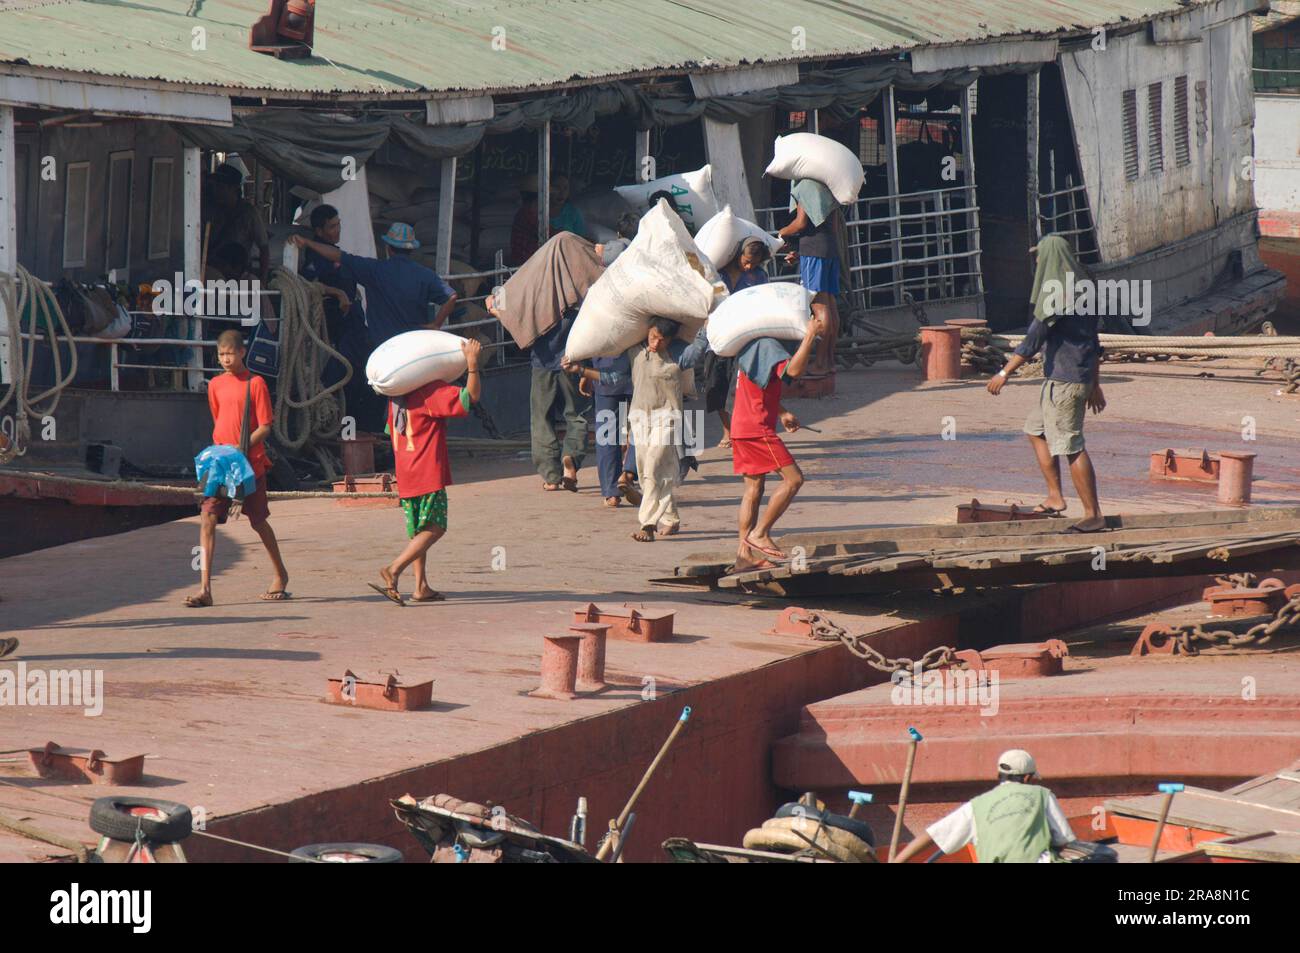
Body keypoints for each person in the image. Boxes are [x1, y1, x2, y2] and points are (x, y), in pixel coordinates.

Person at [987, 236, 1106, 533]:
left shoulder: (1057, 296)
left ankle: (1093, 514)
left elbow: (1032, 341)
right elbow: (1094, 343)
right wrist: (1095, 383)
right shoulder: (1084, 288)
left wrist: (1003, 374)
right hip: (1072, 378)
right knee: (1035, 428)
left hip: (1064, 383)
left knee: (1070, 444)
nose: (1037, 263)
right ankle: (1055, 498)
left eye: (1039, 257)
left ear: (1051, 258)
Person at [564, 317, 707, 542]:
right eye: (652, 337)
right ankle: (671, 518)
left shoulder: (679, 353)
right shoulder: (635, 351)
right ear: (647, 332)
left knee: (652, 468)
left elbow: (699, 350)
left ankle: (647, 524)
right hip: (640, 419)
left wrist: (706, 325)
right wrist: (580, 370)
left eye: (661, 339)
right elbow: (613, 377)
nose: (655, 343)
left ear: (670, 339)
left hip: (667, 418)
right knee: (649, 471)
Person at [370, 338, 483, 606]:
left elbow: (391, 431)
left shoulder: (396, 397)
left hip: (407, 475)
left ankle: (420, 587)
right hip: (427, 473)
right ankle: (394, 568)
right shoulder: (431, 392)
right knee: (435, 528)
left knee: (418, 531)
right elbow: (470, 398)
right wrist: (472, 365)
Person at [185, 329, 289, 608]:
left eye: (230, 353)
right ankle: (205, 588)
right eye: (221, 354)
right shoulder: (215, 385)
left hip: (249, 466)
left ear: (242, 352)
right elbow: (218, 418)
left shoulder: (256, 384)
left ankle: (280, 573)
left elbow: (265, 426)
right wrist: (226, 452)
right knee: (207, 519)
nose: (225, 359)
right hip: (220, 464)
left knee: (258, 521)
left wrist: (240, 450)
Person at [732, 315, 822, 568]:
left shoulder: (749, 348)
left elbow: (758, 387)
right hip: (757, 429)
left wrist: (781, 413)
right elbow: (792, 371)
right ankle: (760, 533)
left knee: (753, 490)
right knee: (794, 479)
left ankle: (743, 557)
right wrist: (810, 335)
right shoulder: (768, 346)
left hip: (742, 427)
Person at [891, 749, 1078, 864]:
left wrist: (897, 861)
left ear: (1000, 775)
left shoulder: (976, 806)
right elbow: (1063, 839)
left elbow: (932, 835)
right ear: (1028, 778)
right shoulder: (1042, 795)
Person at [288, 223, 458, 347]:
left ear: (389, 249)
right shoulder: (425, 275)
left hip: (383, 347)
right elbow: (452, 296)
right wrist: (436, 324)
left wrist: (308, 242)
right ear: (411, 249)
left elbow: (339, 256)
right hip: (414, 346)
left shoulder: (374, 270)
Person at [296, 205, 385, 432]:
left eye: (339, 224)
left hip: (354, 327)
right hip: (338, 330)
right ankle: (345, 431)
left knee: (368, 379)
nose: (338, 230)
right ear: (319, 230)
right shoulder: (315, 257)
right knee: (347, 379)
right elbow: (308, 284)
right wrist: (337, 292)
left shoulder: (334, 252)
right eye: (332, 226)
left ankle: (369, 433)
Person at [703, 239, 772, 449]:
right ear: (738, 254)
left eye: (754, 263)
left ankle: (743, 431)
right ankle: (727, 429)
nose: (749, 266)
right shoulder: (718, 272)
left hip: (744, 337)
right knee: (715, 385)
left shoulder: (759, 277)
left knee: (742, 387)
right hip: (717, 336)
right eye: (747, 261)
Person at [778, 178, 842, 379]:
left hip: (814, 253)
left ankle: (820, 362)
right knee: (830, 305)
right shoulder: (827, 185)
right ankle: (829, 360)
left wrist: (780, 233)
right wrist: (800, 249)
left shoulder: (804, 186)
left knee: (819, 306)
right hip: (829, 249)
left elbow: (800, 223)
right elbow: (830, 225)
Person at [530, 307, 586, 492]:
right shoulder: (577, 285)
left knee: (541, 419)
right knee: (576, 414)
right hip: (573, 360)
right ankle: (571, 456)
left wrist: (493, 306)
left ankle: (551, 477)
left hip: (542, 360)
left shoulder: (535, 284)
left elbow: (513, 311)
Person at [582, 350, 639, 507]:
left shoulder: (596, 323)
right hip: (638, 370)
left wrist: (585, 371)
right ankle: (629, 472)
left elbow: (588, 338)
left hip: (605, 371)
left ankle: (611, 493)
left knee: (607, 434)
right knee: (641, 426)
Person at [205, 163, 270, 282]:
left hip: (238, 273)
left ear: (232, 188)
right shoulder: (211, 210)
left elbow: (264, 247)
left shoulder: (249, 213)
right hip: (213, 270)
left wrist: (263, 277)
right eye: (215, 186)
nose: (216, 190)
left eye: (220, 186)